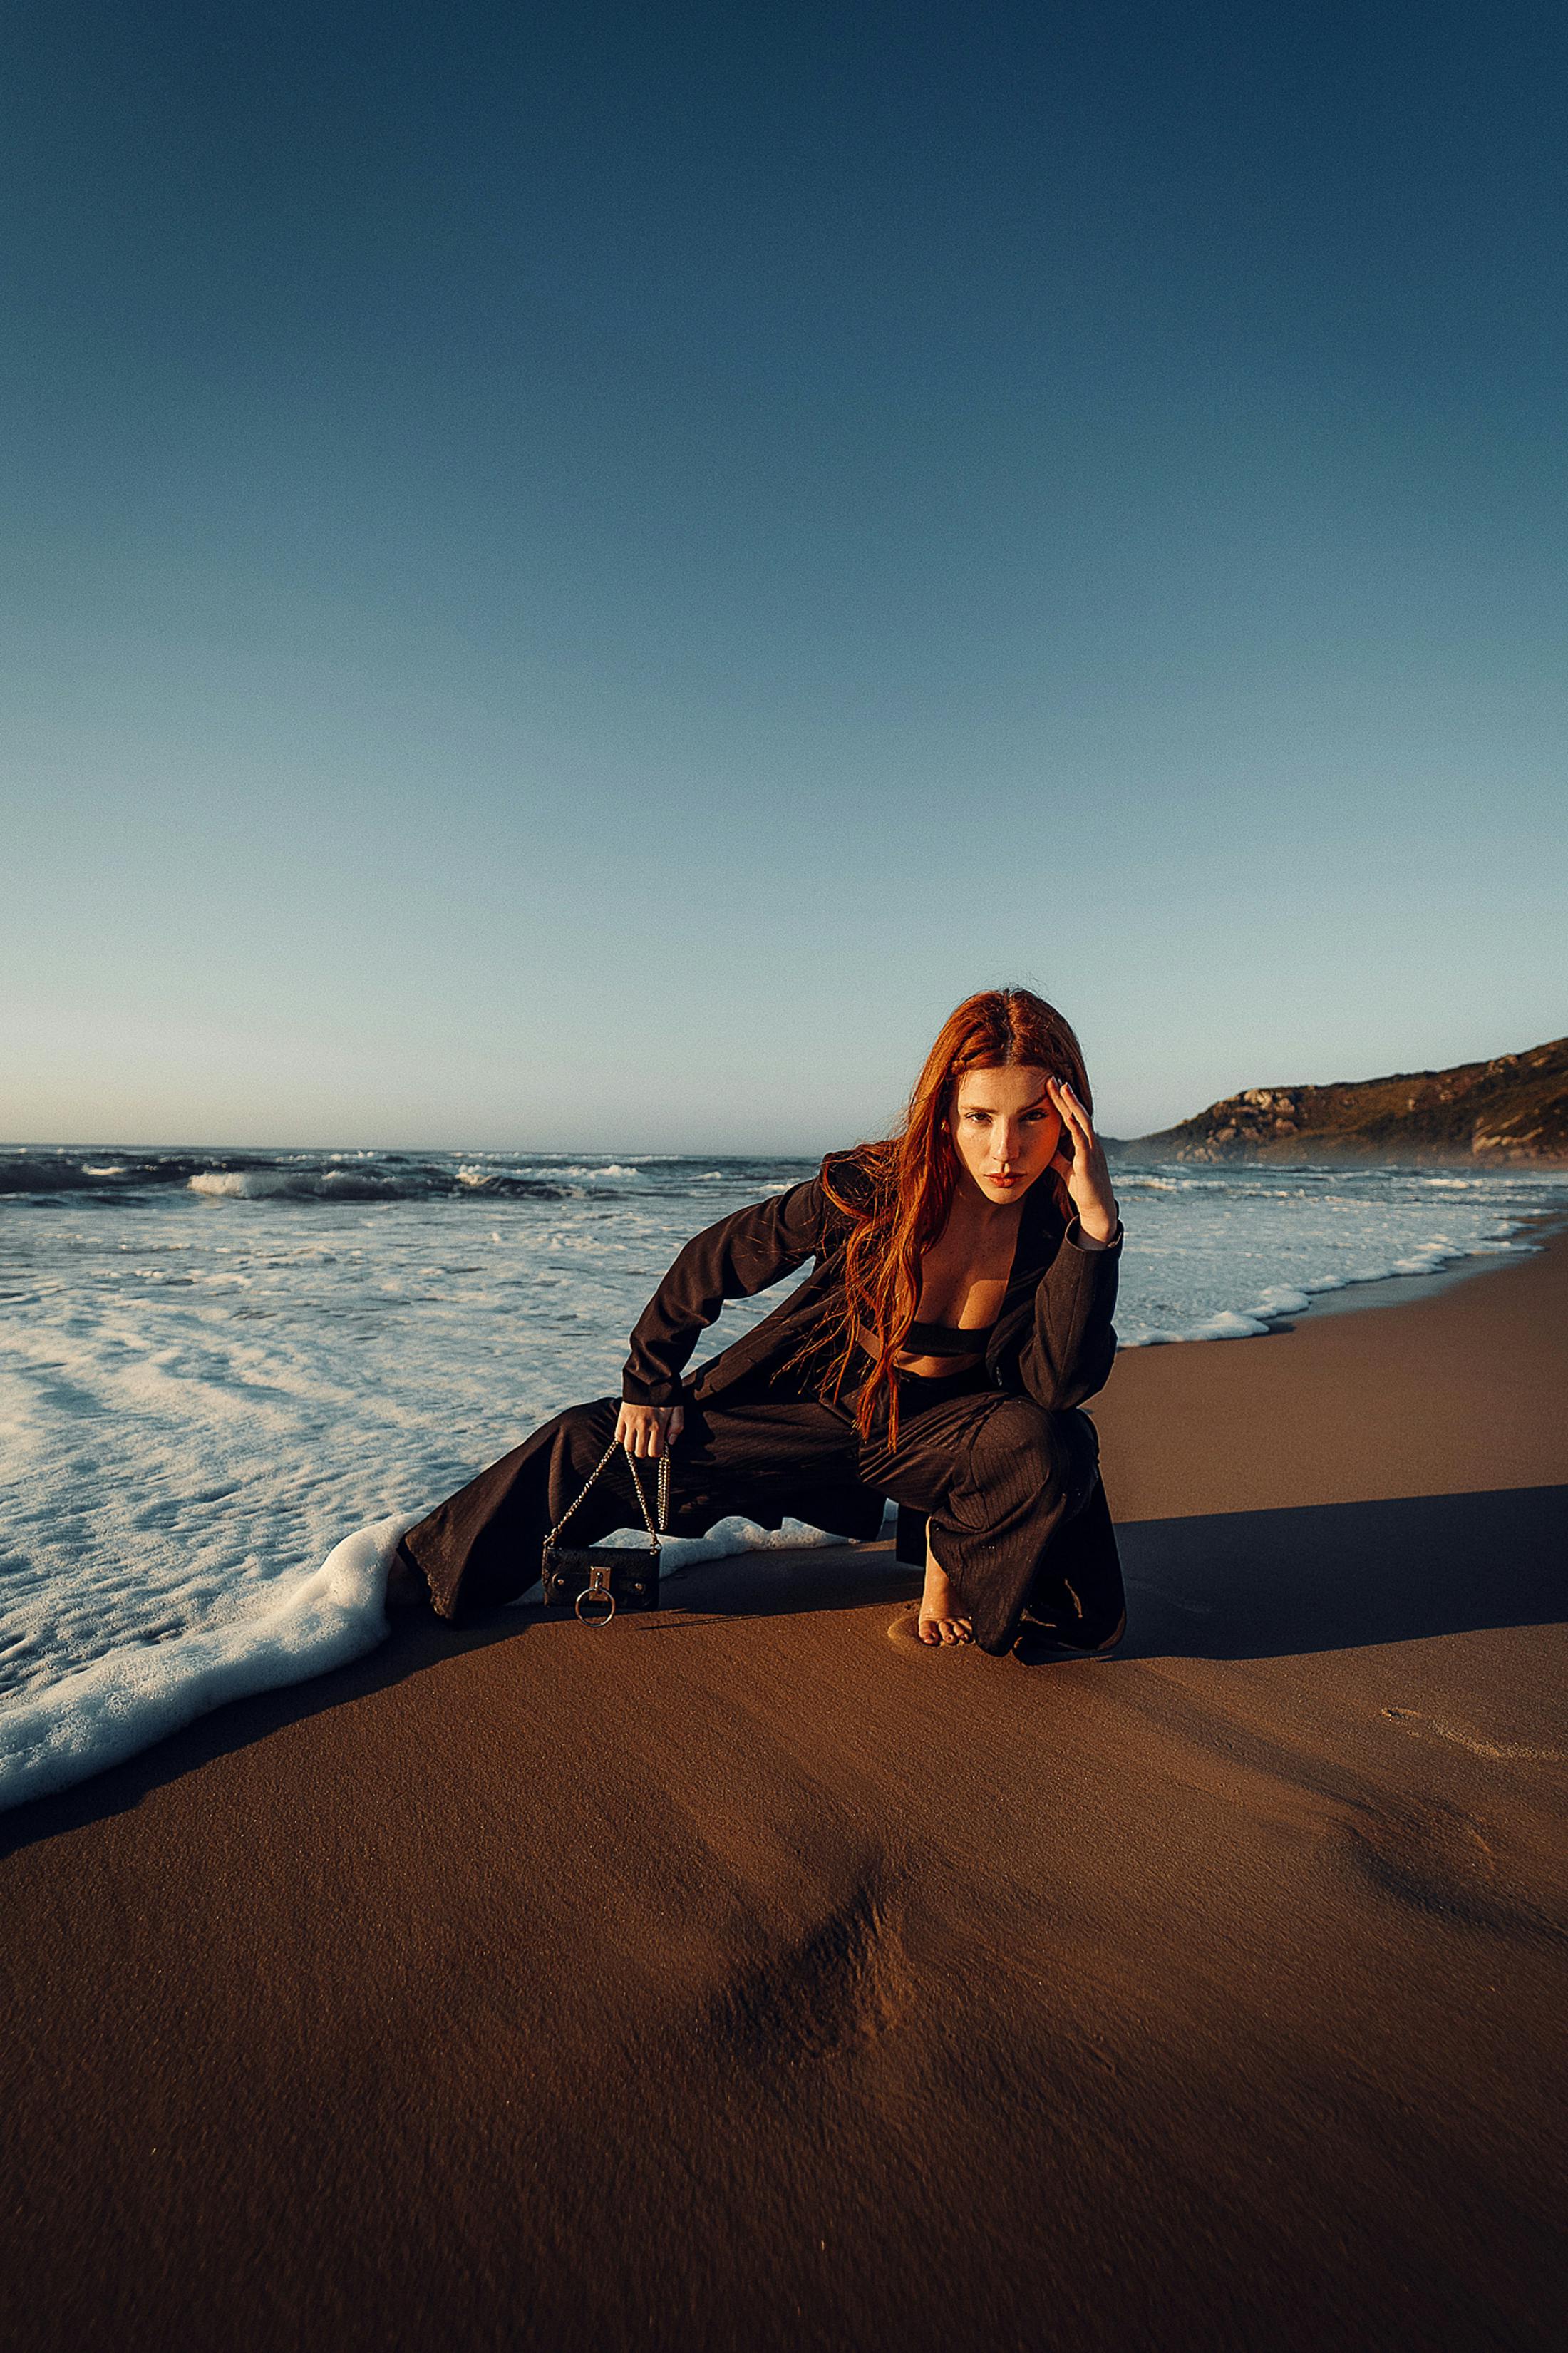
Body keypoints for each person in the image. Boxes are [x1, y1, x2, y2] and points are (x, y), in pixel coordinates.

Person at [393, 987, 1125, 1657]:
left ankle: (952, 1559)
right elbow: (717, 1258)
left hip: (938, 1437)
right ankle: (418, 1581)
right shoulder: (874, 1189)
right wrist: (650, 1379)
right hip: (813, 1403)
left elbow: (1058, 1384)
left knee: (1052, 1443)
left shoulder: (1054, 1225)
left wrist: (1094, 1228)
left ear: (1069, 1118)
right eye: (980, 1116)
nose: (1006, 1149)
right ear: (945, 1112)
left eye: (1032, 1116)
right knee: (597, 1442)